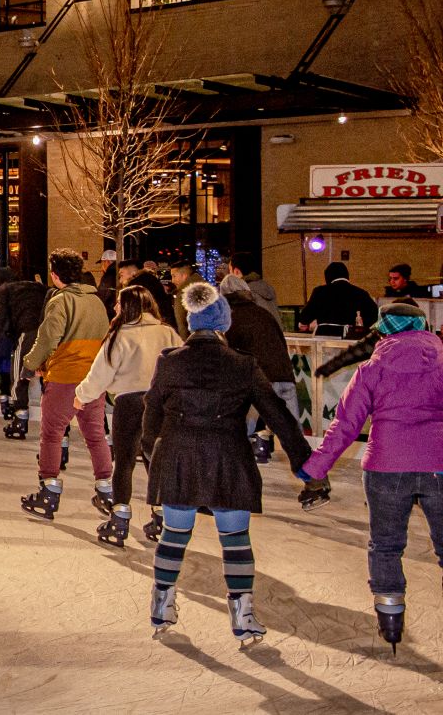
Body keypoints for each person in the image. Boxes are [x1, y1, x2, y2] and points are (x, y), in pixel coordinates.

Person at [142, 283, 325, 645]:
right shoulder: (244, 365)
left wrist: (156, 455)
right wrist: (307, 469)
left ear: (192, 323)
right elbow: (279, 417)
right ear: (223, 324)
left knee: (174, 536)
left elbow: (151, 415)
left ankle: (162, 603)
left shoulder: (169, 361)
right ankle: (243, 613)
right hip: (228, 458)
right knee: (236, 540)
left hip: (179, 455)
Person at [299, 302, 443, 652]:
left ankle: (390, 620)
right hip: (439, 464)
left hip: (386, 466)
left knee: (386, 545)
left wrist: (315, 467)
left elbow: (345, 425)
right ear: (423, 325)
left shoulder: (371, 368)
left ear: (384, 328)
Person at [74, 286, 180, 547]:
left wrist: (81, 396)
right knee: (155, 459)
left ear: (129, 307)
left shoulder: (119, 336)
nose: (115, 308)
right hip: (161, 403)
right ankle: (162, 516)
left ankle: (120, 517)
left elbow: (101, 373)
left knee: (124, 461)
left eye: (119, 304)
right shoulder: (168, 333)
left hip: (129, 402)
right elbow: (183, 365)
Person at [18, 249, 113, 521]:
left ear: (54, 275)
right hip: (92, 377)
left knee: (52, 433)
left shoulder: (61, 301)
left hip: (65, 376)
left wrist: (30, 363)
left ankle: (49, 489)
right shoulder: (96, 301)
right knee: (95, 433)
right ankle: (105, 488)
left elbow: (48, 337)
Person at [217, 273, 302, 466]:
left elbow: (229, 353)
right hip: (284, 375)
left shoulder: (230, 318)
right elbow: (280, 342)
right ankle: (313, 475)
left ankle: (234, 463)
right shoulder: (264, 313)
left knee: (243, 423)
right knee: (293, 432)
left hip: (259, 379)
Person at [0, 266, 45, 439]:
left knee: (18, 378)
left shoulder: (3, 292)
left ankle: (20, 421)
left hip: (27, 334)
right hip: (49, 335)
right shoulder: (37, 287)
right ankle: (54, 423)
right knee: (48, 379)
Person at [297, 261, 379, 338]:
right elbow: (374, 314)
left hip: (323, 335)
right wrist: (362, 325)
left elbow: (306, 315)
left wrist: (304, 322)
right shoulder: (360, 293)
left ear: (328, 277)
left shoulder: (320, 291)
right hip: (347, 335)